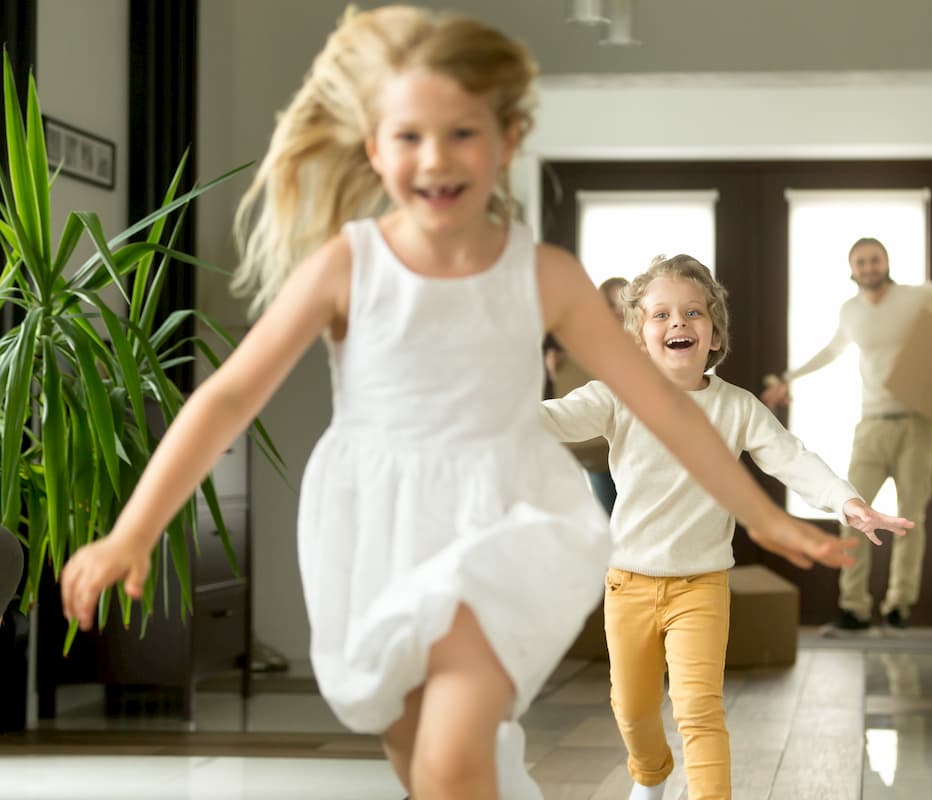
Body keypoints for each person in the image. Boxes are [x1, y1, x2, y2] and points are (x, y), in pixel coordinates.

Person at [58, 7, 858, 798]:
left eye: (462, 134)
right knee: (431, 773)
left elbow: (667, 408)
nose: (435, 157)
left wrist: (763, 517)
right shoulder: (349, 265)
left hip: (500, 526)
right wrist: (134, 531)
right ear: (375, 147)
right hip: (381, 532)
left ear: (507, 140)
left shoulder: (543, 274)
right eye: (409, 136)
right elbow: (227, 396)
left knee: (450, 759)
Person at [541, 255, 912, 800]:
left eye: (693, 312)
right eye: (660, 315)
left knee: (699, 710)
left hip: (702, 586)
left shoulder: (737, 408)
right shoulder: (618, 395)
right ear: (638, 337)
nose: (678, 324)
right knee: (632, 709)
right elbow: (558, 418)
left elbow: (791, 457)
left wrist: (847, 501)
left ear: (714, 333)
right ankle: (651, 776)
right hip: (628, 583)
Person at [761, 236, 932, 633]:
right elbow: (830, 352)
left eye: (874, 260)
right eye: (861, 262)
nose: (868, 267)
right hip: (871, 425)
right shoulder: (850, 311)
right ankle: (855, 607)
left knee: (911, 518)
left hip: (917, 424)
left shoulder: (916, 297)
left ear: (886, 262)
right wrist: (788, 379)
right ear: (852, 269)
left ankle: (899, 606)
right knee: (853, 511)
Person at [543, 276, 628, 515]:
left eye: (623, 302)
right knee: (609, 515)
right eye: (612, 304)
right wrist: (557, 359)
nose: (619, 310)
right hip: (597, 447)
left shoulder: (649, 341)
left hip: (633, 444)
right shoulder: (584, 341)